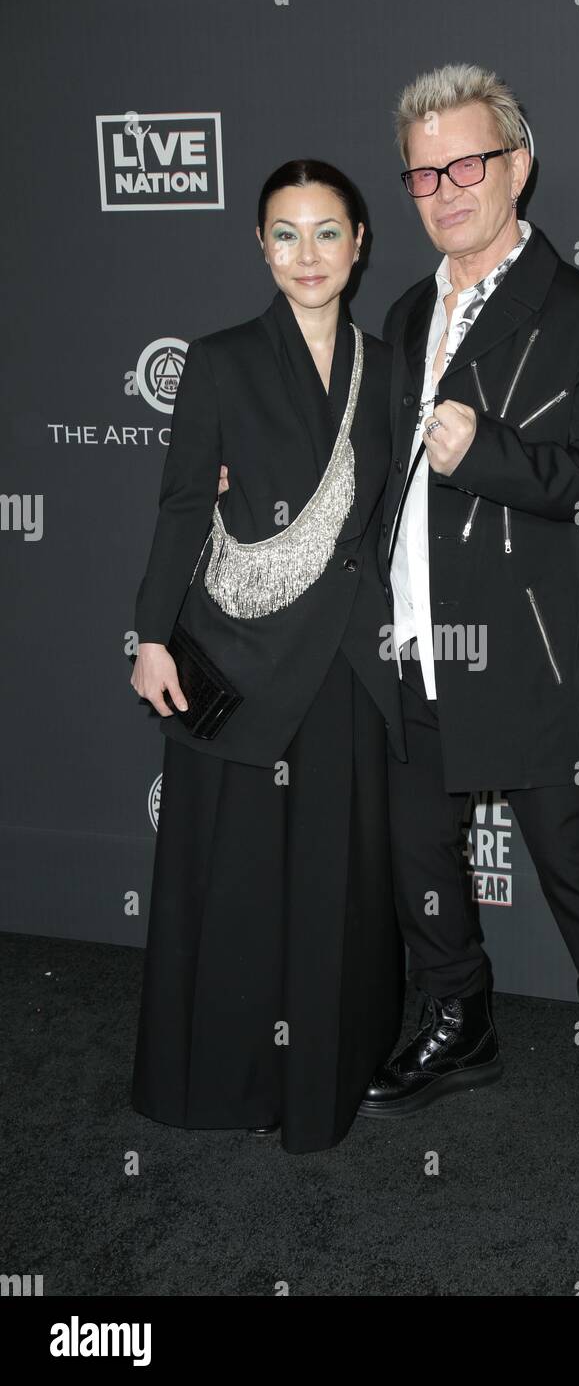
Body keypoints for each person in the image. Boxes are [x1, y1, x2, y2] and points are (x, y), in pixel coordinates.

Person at [356, 63, 579, 1195]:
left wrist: (484, 452)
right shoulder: (404, 313)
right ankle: (460, 1020)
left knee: (577, 866)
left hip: (528, 650)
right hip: (409, 645)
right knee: (416, 857)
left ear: (516, 165)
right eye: (422, 172)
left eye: (466, 163)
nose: (444, 188)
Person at [129, 159, 406, 1155]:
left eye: (326, 231)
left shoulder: (391, 367)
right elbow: (179, 506)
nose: (306, 255)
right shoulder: (220, 359)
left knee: (335, 886)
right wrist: (151, 633)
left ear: (359, 241)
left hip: (342, 665)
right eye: (284, 234)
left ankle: (317, 1082)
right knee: (237, 881)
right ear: (259, 246)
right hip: (237, 659)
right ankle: (225, 1080)